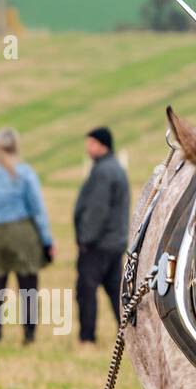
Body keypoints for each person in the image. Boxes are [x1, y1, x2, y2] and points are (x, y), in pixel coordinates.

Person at [0, 127, 53, 344]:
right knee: (28, 288)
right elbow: (37, 210)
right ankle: (29, 335)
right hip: (21, 234)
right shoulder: (24, 174)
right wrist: (47, 240)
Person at [73, 127, 130, 344]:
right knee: (116, 292)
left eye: (91, 144)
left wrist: (86, 239)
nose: (88, 148)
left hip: (98, 244)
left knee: (86, 292)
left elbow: (97, 210)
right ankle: (128, 333)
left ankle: (87, 337)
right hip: (113, 243)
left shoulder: (103, 171)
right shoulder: (114, 168)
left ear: (101, 145)